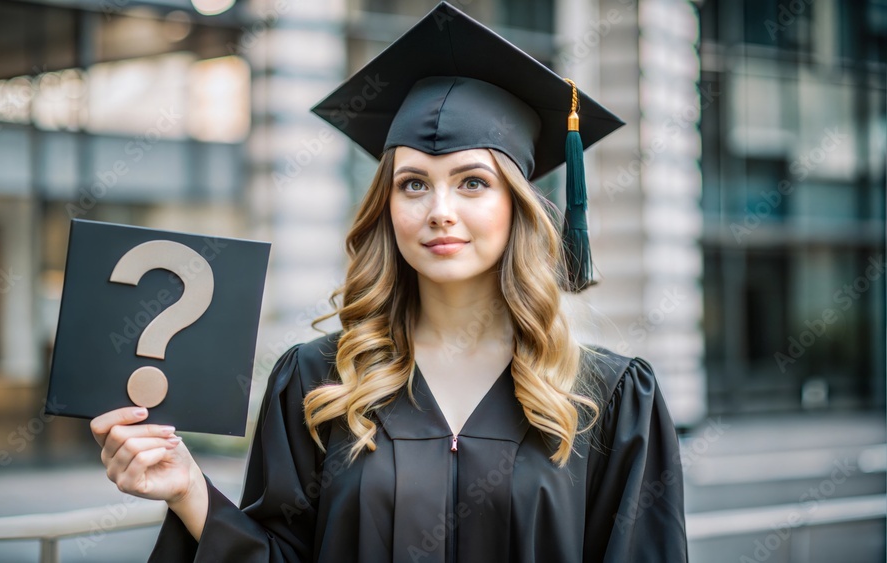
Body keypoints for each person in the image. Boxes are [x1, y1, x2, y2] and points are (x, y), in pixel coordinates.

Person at [92, 3, 688, 561]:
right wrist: (188, 489)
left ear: (519, 206)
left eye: (473, 182)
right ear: (387, 207)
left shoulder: (605, 399)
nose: (440, 210)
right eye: (413, 183)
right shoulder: (318, 381)